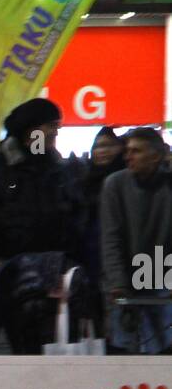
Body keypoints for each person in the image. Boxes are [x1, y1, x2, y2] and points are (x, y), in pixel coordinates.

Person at [0, 98, 85, 263]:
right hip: (12, 266)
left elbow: (75, 209)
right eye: (51, 126)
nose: (56, 132)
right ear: (31, 129)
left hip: (55, 264)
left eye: (57, 126)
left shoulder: (59, 168)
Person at [101, 126, 172, 354]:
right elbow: (111, 236)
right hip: (127, 281)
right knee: (125, 353)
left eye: (136, 151)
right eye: (128, 151)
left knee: (163, 350)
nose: (128, 156)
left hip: (161, 277)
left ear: (156, 156)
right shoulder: (115, 184)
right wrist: (117, 282)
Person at [76, 126, 125, 334]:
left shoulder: (126, 180)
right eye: (97, 146)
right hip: (89, 258)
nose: (101, 151)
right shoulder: (84, 181)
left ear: (119, 149)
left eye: (108, 145)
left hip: (118, 260)